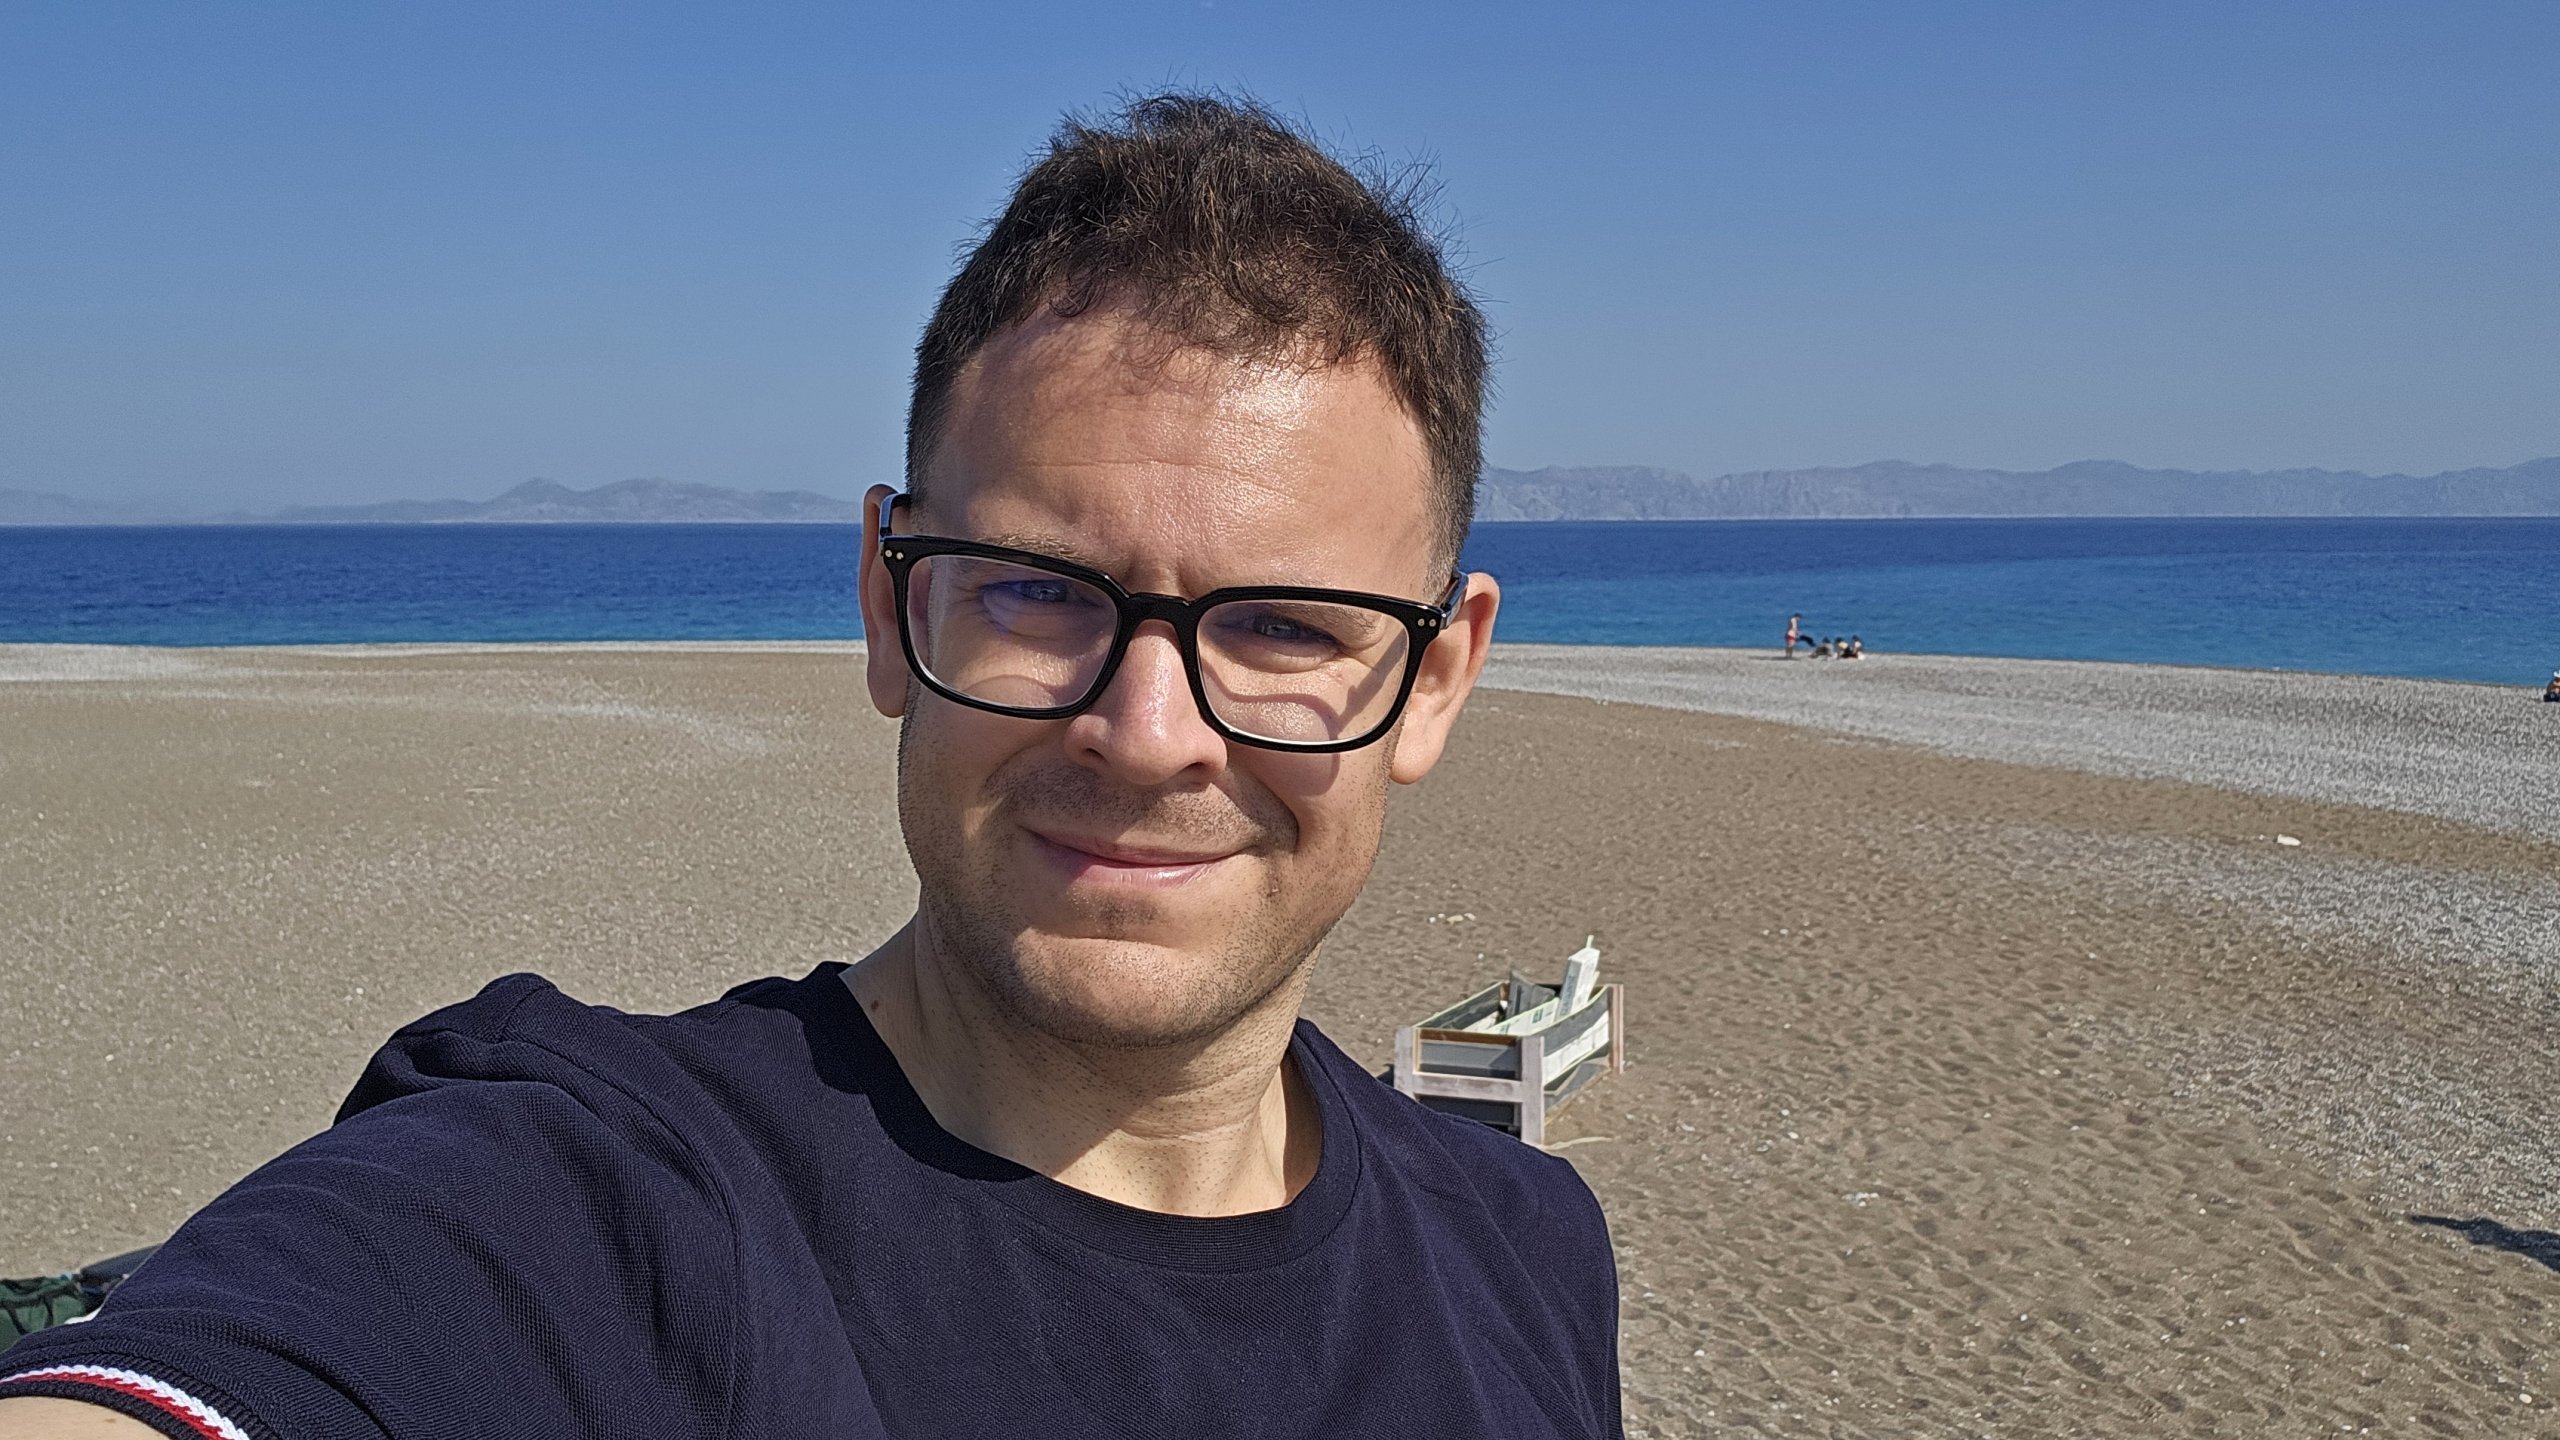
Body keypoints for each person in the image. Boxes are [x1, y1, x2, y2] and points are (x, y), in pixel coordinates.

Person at [0, 96, 1622, 1440]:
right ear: (885, 595)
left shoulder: (1528, 1258)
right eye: (1041, 591)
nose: (1145, 735)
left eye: (1282, 624)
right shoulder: (595, 1197)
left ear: (1434, 679)